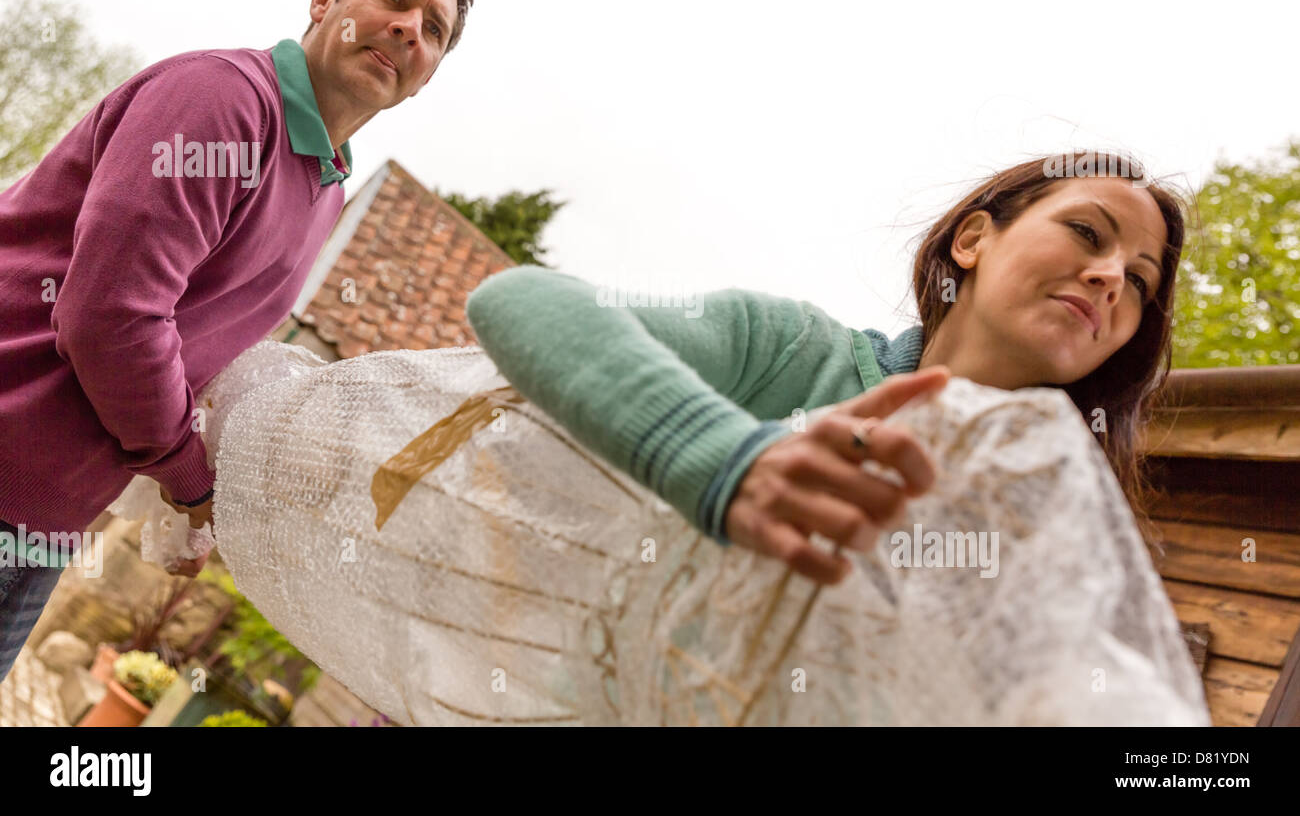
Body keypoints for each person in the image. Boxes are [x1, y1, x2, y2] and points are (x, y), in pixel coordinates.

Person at [0, 0, 475, 683]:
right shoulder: (223, 101)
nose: (408, 27)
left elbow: (193, 343)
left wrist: (213, 494)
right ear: (325, 1)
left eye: (434, 29)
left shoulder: (326, 188)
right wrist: (191, 482)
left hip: (45, 520)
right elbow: (110, 315)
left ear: (427, 73)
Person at [464, 153, 1186, 584]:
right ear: (973, 240)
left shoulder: (1055, 538)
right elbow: (522, 300)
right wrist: (725, 463)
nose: (1110, 278)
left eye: (1141, 282)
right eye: (1087, 233)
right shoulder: (790, 349)